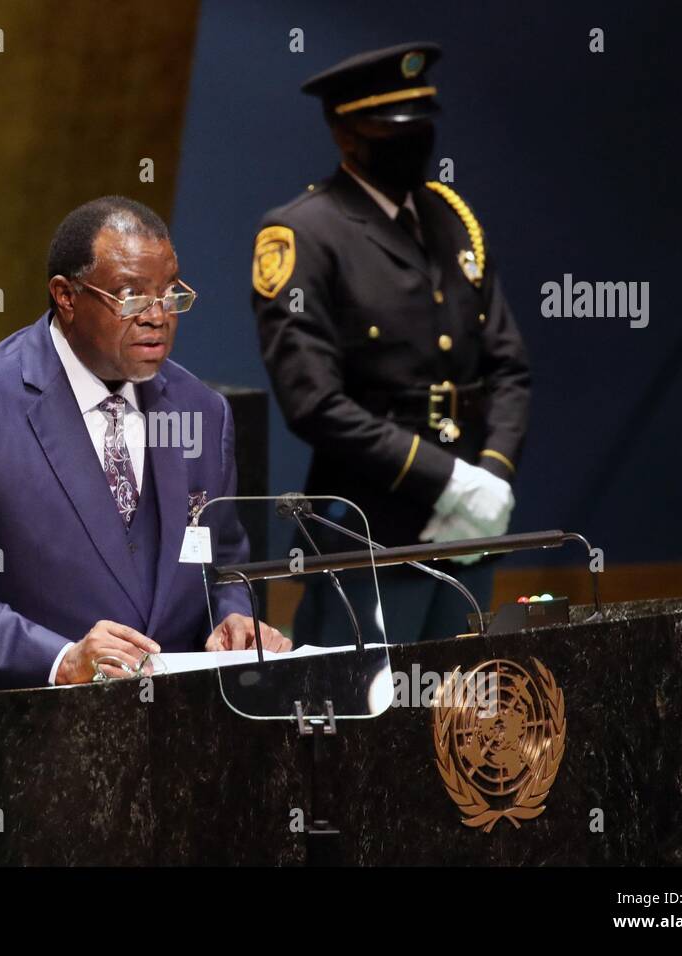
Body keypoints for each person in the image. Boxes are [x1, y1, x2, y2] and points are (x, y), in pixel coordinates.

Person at [0, 196, 289, 693]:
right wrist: (60, 660)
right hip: (21, 730)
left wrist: (234, 617)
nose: (158, 316)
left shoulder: (202, 411)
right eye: (131, 295)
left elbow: (222, 562)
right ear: (66, 296)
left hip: (175, 732)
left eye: (170, 293)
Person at [251, 43, 531, 645]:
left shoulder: (452, 219)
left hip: (472, 529)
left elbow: (508, 366)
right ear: (344, 133)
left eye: (421, 125)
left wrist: (490, 477)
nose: (412, 140)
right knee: (358, 719)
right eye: (391, 127)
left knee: (454, 715)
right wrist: (446, 483)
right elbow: (314, 404)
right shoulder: (305, 233)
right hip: (370, 527)